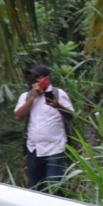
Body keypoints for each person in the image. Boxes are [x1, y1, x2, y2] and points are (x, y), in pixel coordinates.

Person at [15, 64, 74, 192]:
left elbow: (70, 116)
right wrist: (32, 98)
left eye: (37, 76)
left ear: (47, 78)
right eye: (31, 76)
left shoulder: (59, 94)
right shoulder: (25, 96)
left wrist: (57, 105)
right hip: (33, 148)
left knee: (55, 185)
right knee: (35, 186)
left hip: (55, 147)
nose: (33, 79)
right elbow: (19, 117)